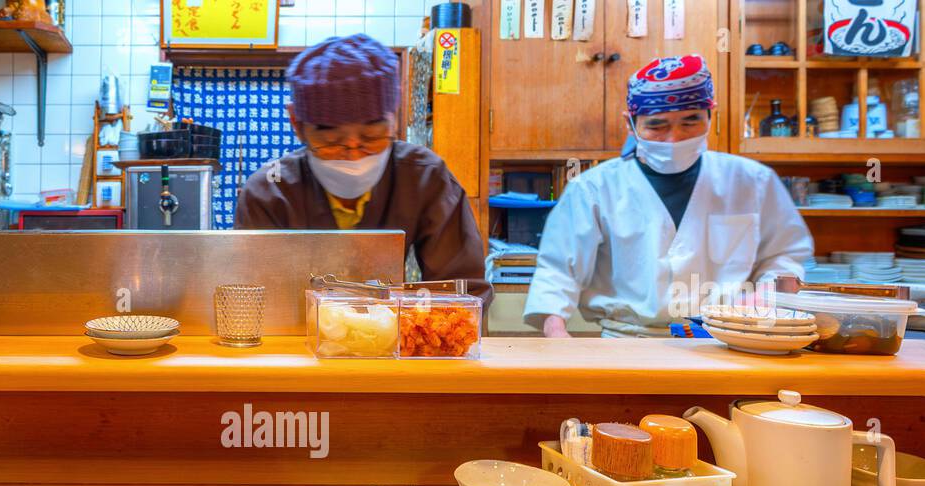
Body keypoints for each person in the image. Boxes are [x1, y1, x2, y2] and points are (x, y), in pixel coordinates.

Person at [524, 54, 813, 337]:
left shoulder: (753, 182)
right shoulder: (592, 189)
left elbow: (784, 256)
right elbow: (558, 271)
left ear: (711, 117)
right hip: (627, 346)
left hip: (729, 340)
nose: (674, 138)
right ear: (631, 124)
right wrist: (557, 332)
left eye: (690, 122)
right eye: (657, 125)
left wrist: (765, 294)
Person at [235, 33, 488, 300]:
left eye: (372, 137)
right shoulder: (270, 190)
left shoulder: (424, 176)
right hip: (297, 336)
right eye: (332, 141)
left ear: (394, 118)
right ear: (297, 125)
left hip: (393, 335)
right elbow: (250, 296)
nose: (354, 156)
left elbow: (462, 292)